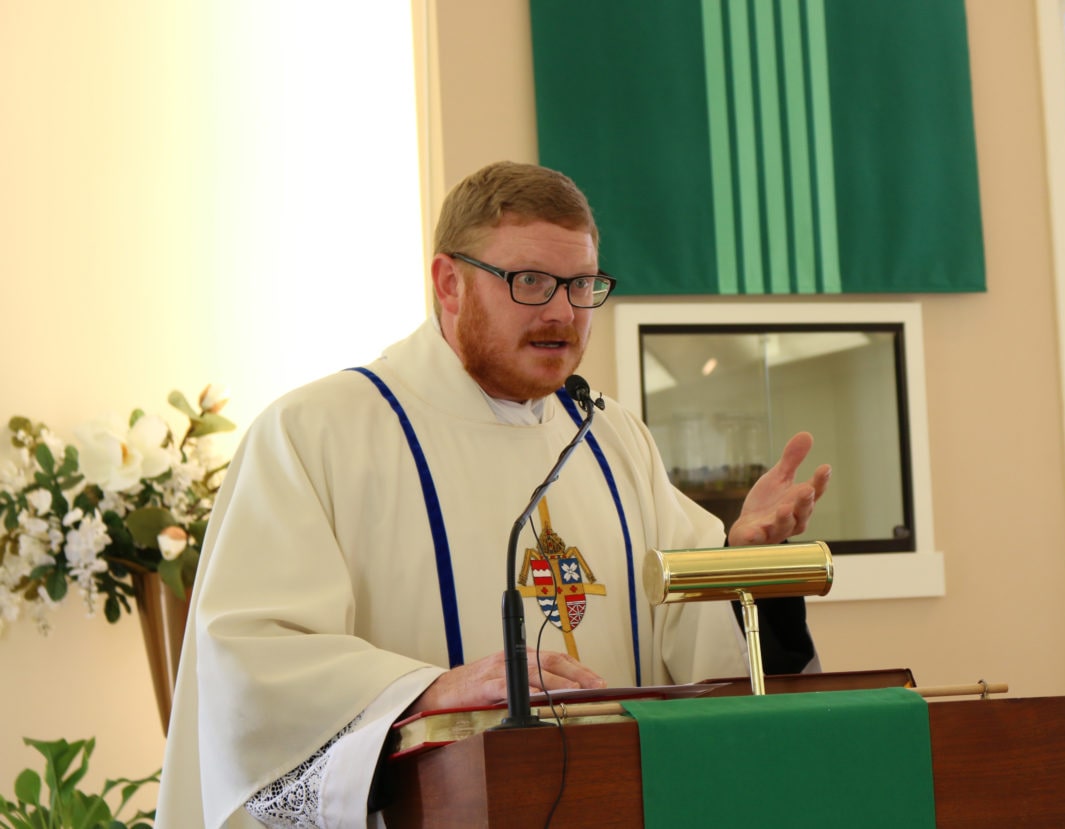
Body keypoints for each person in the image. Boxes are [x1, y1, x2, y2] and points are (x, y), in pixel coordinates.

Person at [156, 161, 832, 828]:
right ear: (448, 284)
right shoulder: (315, 432)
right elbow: (249, 660)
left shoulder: (610, 435)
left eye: (582, 283)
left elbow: (692, 646)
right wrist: (430, 692)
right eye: (530, 281)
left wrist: (739, 562)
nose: (563, 311)